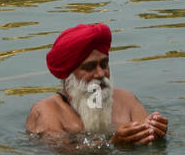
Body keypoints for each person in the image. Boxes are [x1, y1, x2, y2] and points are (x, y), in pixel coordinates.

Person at [26, 23, 168, 144]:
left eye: (104, 65)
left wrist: (154, 132)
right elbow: (61, 154)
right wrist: (114, 144)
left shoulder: (127, 100)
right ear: (68, 77)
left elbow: (151, 151)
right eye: (89, 67)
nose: (100, 74)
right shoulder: (47, 111)